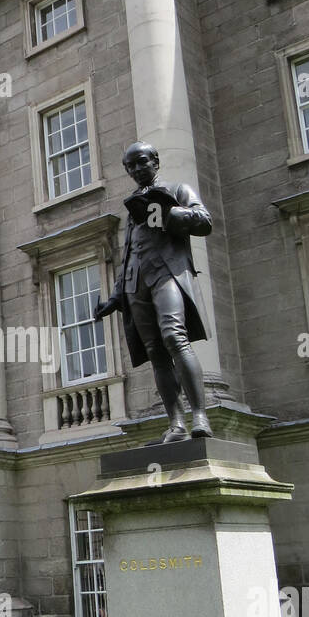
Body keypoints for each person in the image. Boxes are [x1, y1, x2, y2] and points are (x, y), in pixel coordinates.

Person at [94, 140, 213, 442]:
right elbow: (129, 252)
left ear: (155, 162)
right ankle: (176, 424)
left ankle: (199, 415)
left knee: (175, 336)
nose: (136, 169)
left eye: (141, 162)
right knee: (156, 352)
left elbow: (204, 221)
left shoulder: (176, 190)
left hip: (166, 274)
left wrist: (170, 213)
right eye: (130, 166)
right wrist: (115, 296)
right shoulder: (132, 206)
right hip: (136, 283)